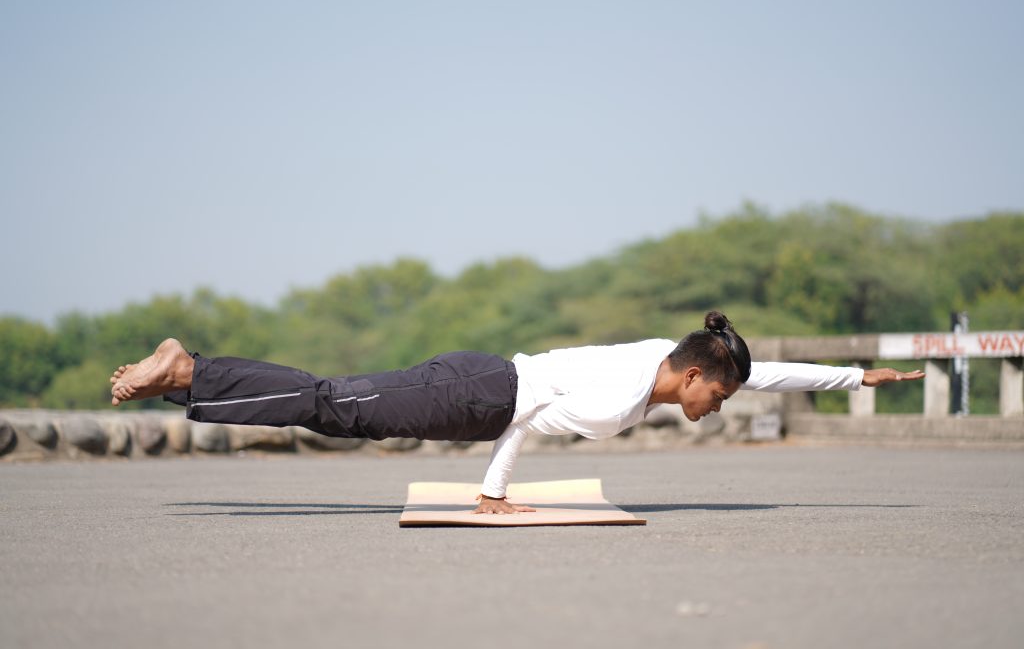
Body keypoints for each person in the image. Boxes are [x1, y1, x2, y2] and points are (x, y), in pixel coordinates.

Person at [109, 311, 923, 515]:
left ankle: (189, 379)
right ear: (696, 373)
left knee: (334, 409)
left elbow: (766, 371)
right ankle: (189, 369)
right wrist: (492, 494)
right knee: (332, 402)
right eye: (720, 393)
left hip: (477, 392)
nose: (721, 406)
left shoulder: (662, 370)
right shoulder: (623, 389)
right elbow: (524, 420)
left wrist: (852, 377)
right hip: (481, 393)